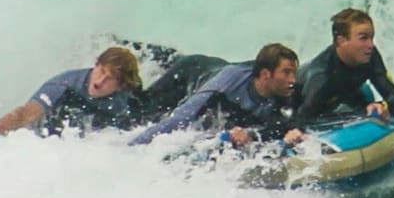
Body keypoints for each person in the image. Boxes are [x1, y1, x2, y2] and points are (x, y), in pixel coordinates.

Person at [129, 43, 305, 148]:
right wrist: (134, 147)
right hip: (189, 74)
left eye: (294, 73)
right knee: (141, 112)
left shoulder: (285, 91)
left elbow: (288, 124)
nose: (292, 80)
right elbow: (181, 117)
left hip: (216, 75)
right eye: (287, 73)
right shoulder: (230, 80)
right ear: (266, 74)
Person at [0, 46, 143, 144]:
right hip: (51, 143)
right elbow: (23, 114)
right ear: (96, 65)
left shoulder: (128, 91)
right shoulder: (64, 86)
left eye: (110, 78)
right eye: (101, 71)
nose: (100, 81)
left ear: (121, 85)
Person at [294, 8, 394, 126]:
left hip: (345, 94)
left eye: (371, 38)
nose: (370, 45)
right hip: (297, 102)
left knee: (366, 95)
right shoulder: (322, 75)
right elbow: (304, 117)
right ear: (341, 41)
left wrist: (382, 105)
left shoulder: (371, 57)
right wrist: (360, 115)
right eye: (363, 38)